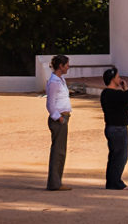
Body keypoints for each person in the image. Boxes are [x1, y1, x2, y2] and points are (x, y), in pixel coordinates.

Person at [100, 67, 128, 190]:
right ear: (113, 79)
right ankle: (115, 182)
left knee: (114, 156)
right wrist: (125, 88)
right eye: (117, 77)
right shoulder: (118, 94)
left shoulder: (104, 94)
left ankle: (111, 181)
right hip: (119, 128)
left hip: (110, 127)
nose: (120, 79)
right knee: (121, 156)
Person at [45, 55, 71, 191]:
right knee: (58, 151)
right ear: (61, 66)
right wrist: (59, 118)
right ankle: (54, 183)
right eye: (66, 65)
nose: (68, 67)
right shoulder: (54, 82)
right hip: (59, 119)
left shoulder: (60, 80)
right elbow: (50, 105)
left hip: (63, 117)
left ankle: (56, 182)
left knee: (60, 151)